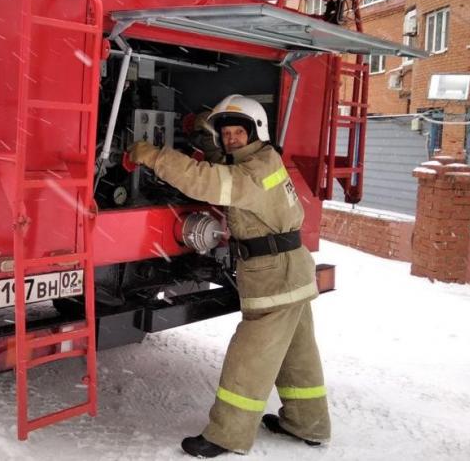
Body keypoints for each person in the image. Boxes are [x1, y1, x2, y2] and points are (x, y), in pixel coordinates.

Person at [128, 95, 330, 457]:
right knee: (297, 354)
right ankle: (307, 423)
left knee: (249, 358)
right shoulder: (261, 159)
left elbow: (204, 180)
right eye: (227, 133)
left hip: (275, 277)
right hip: (289, 271)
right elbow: (223, 162)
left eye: (239, 132)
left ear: (256, 132)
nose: (232, 138)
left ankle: (227, 436)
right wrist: (204, 130)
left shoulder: (254, 172)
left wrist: (151, 154)